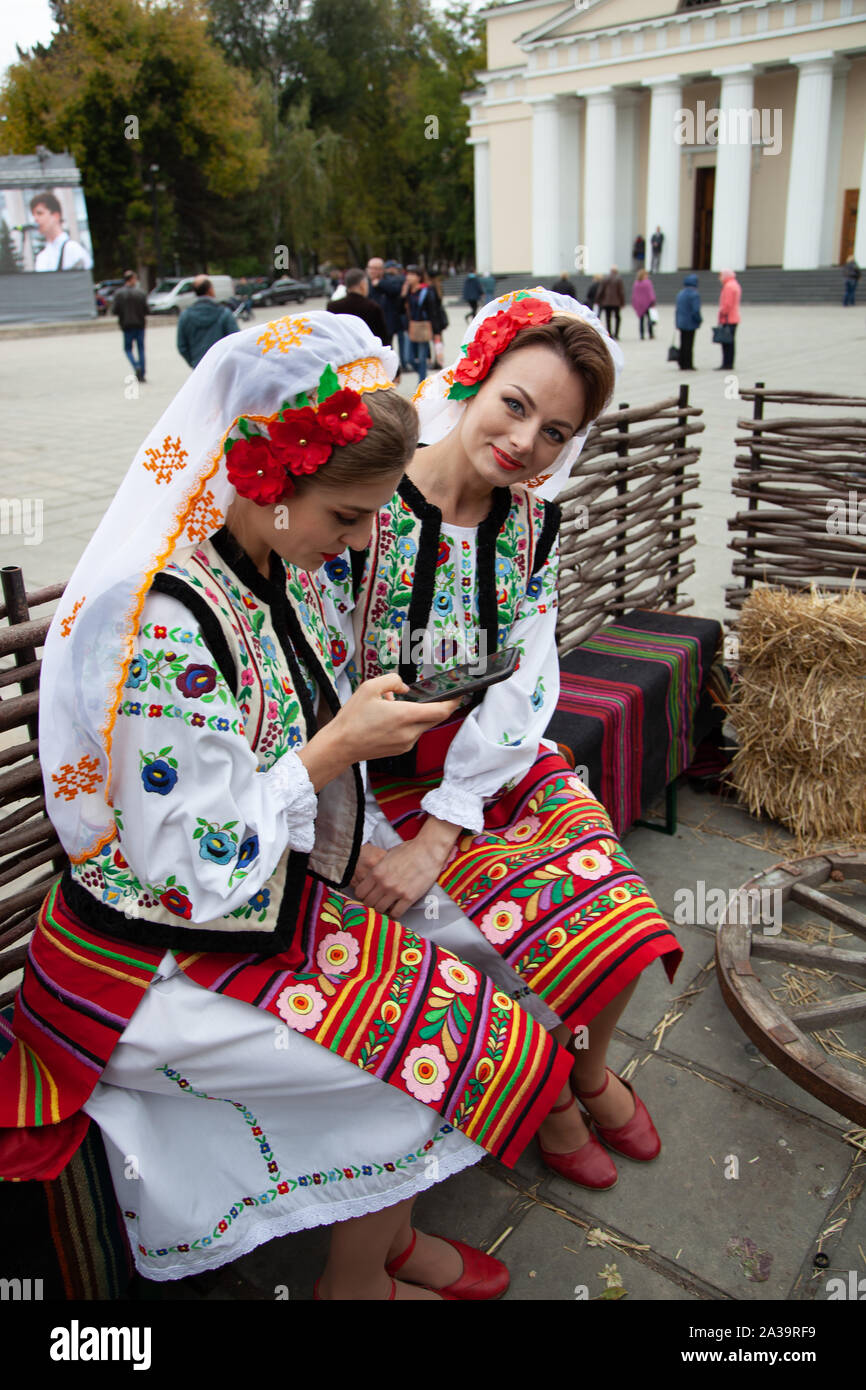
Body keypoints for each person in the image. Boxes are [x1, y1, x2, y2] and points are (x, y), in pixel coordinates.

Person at [0, 312, 572, 1301]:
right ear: (265, 482)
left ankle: (376, 1250)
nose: (358, 542)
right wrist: (329, 752)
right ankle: (358, 1281)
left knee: (468, 972)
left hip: (259, 893)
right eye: (346, 519)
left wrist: (354, 821)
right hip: (149, 950)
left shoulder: (280, 571)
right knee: (430, 1054)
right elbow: (190, 865)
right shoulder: (161, 623)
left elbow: (294, 752)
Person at [347, 288, 683, 1193]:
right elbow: (322, 676)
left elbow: (527, 680)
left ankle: (584, 1071)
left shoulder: (532, 526)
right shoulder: (367, 506)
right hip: (375, 778)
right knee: (481, 922)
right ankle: (553, 1101)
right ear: (475, 374)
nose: (526, 442)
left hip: (494, 760)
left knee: (620, 912)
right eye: (517, 403)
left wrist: (450, 821)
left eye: (555, 432)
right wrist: (403, 822)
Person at [177, 275, 239, 369]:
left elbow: (182, 345)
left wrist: (194, 362)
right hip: (221, 365)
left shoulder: (185, 315)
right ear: (210, 290)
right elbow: (236, 340)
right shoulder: (224, 313)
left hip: (199, 365)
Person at [30, 191, 92, 271]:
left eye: (40, 213)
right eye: (33, 215)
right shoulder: (41, 257)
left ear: (56, 216)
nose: (35, 219)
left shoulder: (73, 249)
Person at [327, 267, 388, 345]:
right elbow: (382, 339)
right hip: (367, 354)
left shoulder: (333, 307)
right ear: (362, 284)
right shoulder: (372, 307)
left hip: (342, 353)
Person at [403, 265, 444, 382]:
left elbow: (433, 312)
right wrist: (403, 293)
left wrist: (436, 332)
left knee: (422, 357)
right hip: (411, 326)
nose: (409, 277)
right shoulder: (408, 291)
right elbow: (401, 309)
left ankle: (421, 381)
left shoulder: (426, 291)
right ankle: (423, 376)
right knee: (408, 358)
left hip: (424, 327)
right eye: (408, 274)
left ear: (419, 277)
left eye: (412, 274)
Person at [111, 268, 149, 382]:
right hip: (139, 324)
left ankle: (136, 365)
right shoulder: (140, 293)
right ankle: (141, 372)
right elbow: (147, 310)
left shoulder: (119, 294)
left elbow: (114, 310)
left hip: (126, 325)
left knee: (128, 349)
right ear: (132, 279)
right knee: (141, 349)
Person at [366, 257, 405, 350]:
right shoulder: (364, 282)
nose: (372, 271)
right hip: (369, 323)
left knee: (386, 349)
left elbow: (396, 290)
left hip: (386, 322)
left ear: (382, 270)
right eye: (370, 268)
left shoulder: (390, 280)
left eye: (375, 268)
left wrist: (380, 283)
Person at [716, 269, 741, 371]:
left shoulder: (729, 287)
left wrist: (722, 313)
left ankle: (727, 363)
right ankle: (728, 363)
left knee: (727, 343)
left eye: (721, 276)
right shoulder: (734, 284)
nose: (720, 278)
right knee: (730, 342)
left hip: (728, 319)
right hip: (733, 318)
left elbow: (727, 304)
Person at [675, 273, 702, 370]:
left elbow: (677, 310)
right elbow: (696, 310)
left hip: (681, 322)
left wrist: (677, 322)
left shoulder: (680, 293)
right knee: (689, 344)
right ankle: (688, 364)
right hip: (690, 323)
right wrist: (699, 320)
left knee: (683, 343)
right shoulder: (694, 294)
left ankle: (682, 363)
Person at [597, 265, 625, 340]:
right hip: (616, 302)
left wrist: (598, 300)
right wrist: (622, 302)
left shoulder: (605, 278)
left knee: (608, 318)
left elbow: (601, 290)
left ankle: (610, 333)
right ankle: (616, 333)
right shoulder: (619, 278)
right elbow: (621, 292)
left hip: (607, 302)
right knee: (617, 317)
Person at [632, 268, 656, 341]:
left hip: (639, 304)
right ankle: (650, 334)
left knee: (641, 320)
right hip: (648, 304)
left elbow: (634, 294)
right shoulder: (647, 283)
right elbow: (650, 293)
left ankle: (641, 334)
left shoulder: (636, 283)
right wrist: (653, 300)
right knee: (649, 319)